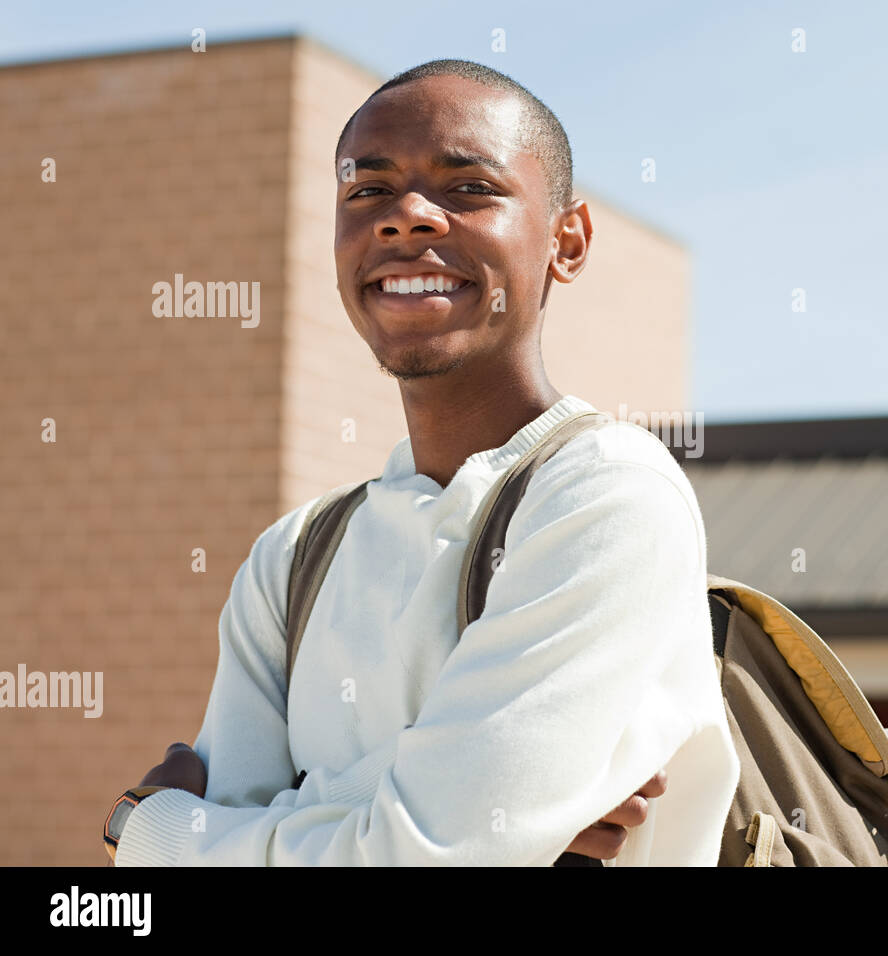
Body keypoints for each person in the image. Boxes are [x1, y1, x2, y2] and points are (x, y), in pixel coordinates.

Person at [103, 58, 739, 866]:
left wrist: (153, 831)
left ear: (567, 241)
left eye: (468, 188)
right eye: (367, 192)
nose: (406, 217)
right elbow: (438, 846)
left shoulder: (609, 496)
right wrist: (443, 809)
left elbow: (417, 854)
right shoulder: (295, 557)